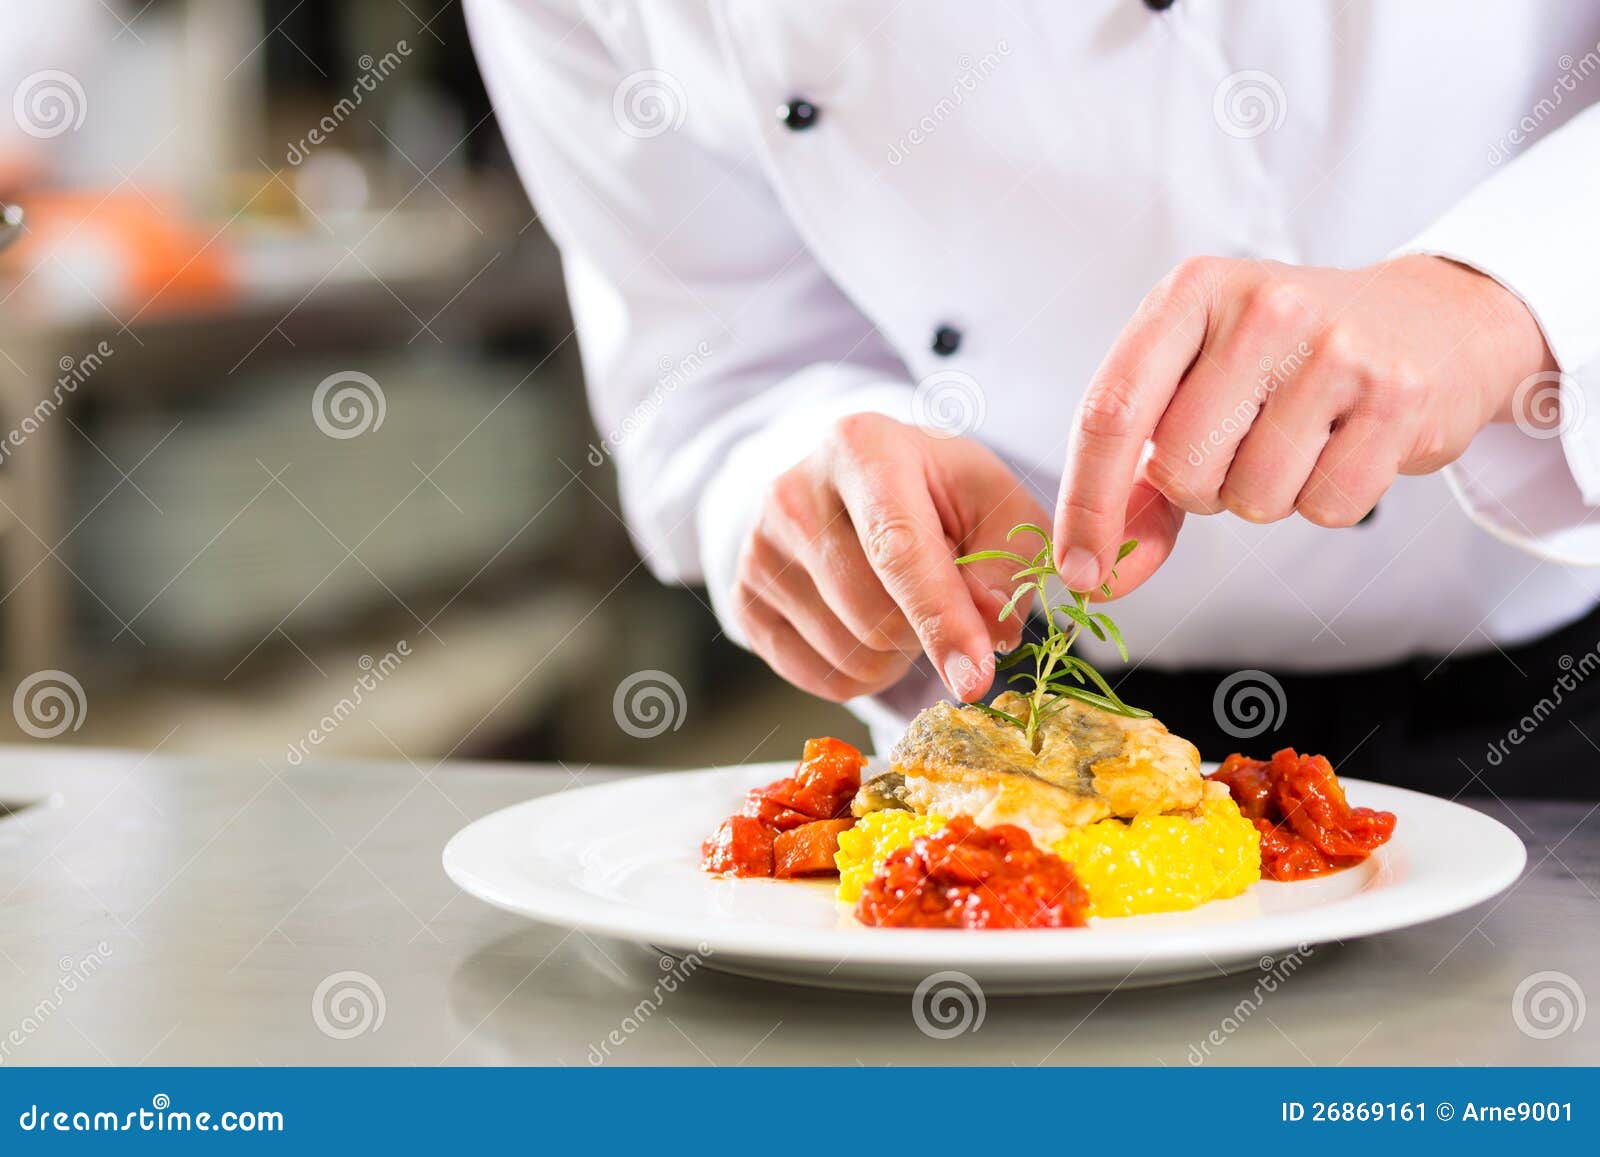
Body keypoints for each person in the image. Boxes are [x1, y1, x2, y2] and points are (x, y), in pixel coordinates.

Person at [466, 0, 1600, 795]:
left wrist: (1506, 294)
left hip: (1562, 680)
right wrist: (800, 474)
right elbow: (715, 356)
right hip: (1031, 737)